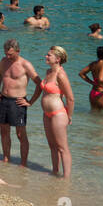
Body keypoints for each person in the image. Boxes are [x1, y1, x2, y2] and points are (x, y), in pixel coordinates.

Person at [0, 38, 41, 167]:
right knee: (4, 132)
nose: (7, 56)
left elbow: (40, 84)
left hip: (18, 102)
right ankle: (6, 158)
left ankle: (23, 163)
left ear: (18, 51)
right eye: (6, 53)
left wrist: (30, 102)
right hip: (3, 100)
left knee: (20, 134)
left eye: (10, 54)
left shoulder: (25, 64)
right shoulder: (4, 61)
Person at [39, 46, 74, 178]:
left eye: (49, 55)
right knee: (52, 145)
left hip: (58, 113)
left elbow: (70, 98)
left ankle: (66, 178)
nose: (46, 57)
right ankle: (54, 172)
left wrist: (69, 116)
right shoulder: (48, 72)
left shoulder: (61, 74)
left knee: (62, 147)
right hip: (46, 114)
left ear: (58, 59)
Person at [78, 45, 103, 114]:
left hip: (93, 93)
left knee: (95, 116)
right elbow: (101, 79)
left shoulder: (93, 64)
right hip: (101, 94)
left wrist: (92, 82)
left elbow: (81, 73)